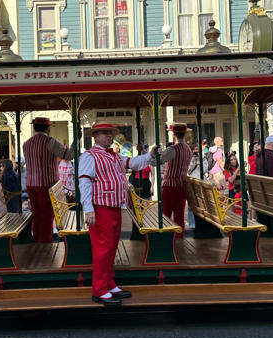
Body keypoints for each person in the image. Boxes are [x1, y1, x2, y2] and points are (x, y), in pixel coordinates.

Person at [79, 122, 154, 307]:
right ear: (95, 136)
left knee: (111, 247)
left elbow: (132, 163)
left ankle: (109, 283)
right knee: (102, 248)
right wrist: (88, 208)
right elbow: (85, 182)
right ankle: (99, 289)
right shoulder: (90, 156)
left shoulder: (113, 155)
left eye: (110, 133)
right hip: (100, 207)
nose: (108, 136)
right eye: (104, 133)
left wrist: (149, 156)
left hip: (113, 206)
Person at [23, 117, 73, 243]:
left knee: (36, 214)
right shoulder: (50, 142)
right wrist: (76, 141)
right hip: (47, 184)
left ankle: (37, 239)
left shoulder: (26, 143)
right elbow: (69, 155)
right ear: (48, 128)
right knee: (47, 215)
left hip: (30, 183)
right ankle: (44, 243)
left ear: (34, 128)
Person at [158, 123, 192, 236]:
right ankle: (179, 236)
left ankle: (165, 236)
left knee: (165, 213)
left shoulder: (172, 149)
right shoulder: (188, 149)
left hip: (169, 185)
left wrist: (154, 155)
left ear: (174, 134)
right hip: (182, 185)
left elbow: (156, 162)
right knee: (179, 214)